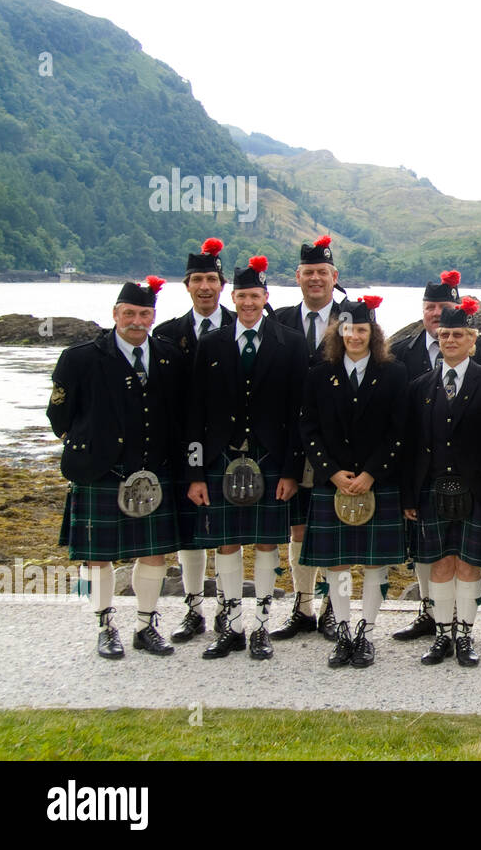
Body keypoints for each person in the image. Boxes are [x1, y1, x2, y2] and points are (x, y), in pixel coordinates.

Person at [49, 275, 186, 659]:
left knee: (154, 552)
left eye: (144, 314)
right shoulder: (80, 358)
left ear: (153, 316)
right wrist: (88, 448)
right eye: (129, 313)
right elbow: (59, 414)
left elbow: (180, 414)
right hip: (100, 472)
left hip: (153, 472)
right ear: (115, 314)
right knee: (99, 555)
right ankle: (105, 626)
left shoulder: (167, 357)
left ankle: (145, 626)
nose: (137, 321)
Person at [187, 255, 308, 661]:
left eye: (255, 296)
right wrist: (197, 472)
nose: (248, 303)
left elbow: (298, 414)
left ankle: (261, 627)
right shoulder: (212, 343)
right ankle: (232, 626)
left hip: (270, 455)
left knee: (267, 543)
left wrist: (291, 471)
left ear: (266, 296)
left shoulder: (291, 342)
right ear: (232, 296)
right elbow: (196, 412)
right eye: (241, 296)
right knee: (227, 543)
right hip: (223, 456)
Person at [391, 269, 481, 644]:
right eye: (445, 335)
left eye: (458, 335)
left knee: (468, 565)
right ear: (437, 340)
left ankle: (466, 635)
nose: (450, 340)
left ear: (472, 339)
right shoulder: (419, 386)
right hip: (431, 487)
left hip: (474, 488)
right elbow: (409, 445)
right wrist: (409, 495)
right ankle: (442, 634)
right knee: (439, 564)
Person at [299, 296, 408, 668]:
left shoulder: (394, 373)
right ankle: (344, 631)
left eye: (362, 329)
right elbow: (308, 427)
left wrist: (371, 473)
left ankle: (366, 632)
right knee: (339, 565)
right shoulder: (319, 373)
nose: (355, 336)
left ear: (373, 333)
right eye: (348, 329)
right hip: (334, 482)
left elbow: (399, 431)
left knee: (375, 566)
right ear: (338, 331)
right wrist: (330, 471)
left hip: (377, 481)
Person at [152, 238, 236, 644]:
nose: (205, 286)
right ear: (186, 285)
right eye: (197, 279)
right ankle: (192, 610)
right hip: (180, 446)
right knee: (190, 533)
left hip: (228, 448)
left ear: (222, 285)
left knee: (224, 534)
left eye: (212, 279)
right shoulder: (167, 333)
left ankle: (226, 611)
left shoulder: (244, 325)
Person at [271, 235, 344, 644]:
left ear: (334, 277)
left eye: (323, 272)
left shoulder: (350, 319)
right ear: (297, 277)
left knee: (335, 526)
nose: (315, 278)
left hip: (336, 445)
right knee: (297, 527)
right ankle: (302, 607)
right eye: (308, 272)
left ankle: (334, 608)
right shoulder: (277, 319)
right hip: (289, 442)